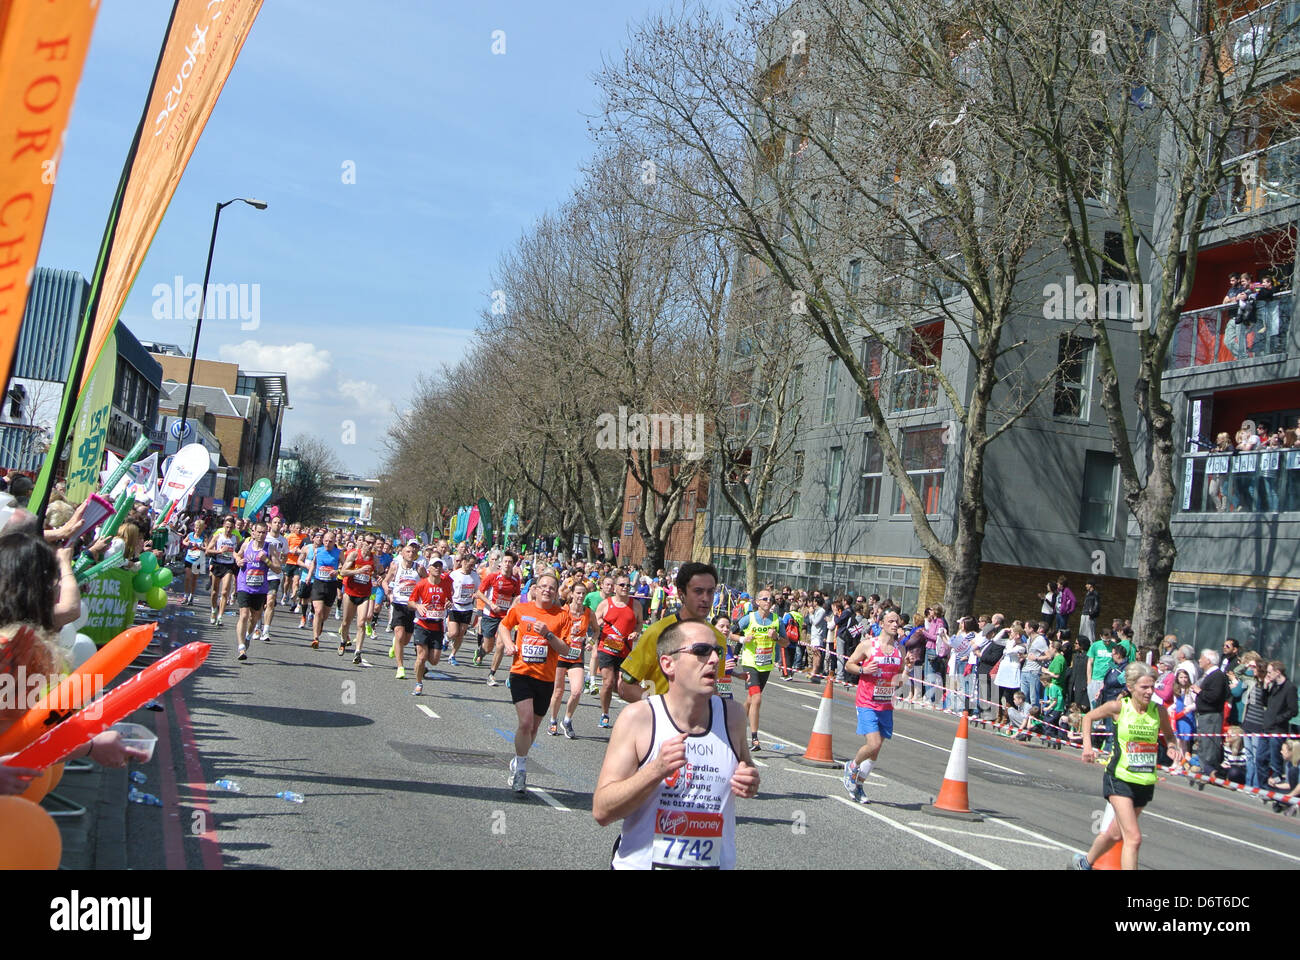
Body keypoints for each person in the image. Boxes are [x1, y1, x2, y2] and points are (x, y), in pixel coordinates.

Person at [592, 619, 759, 869]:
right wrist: (656, 769)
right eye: (701, 651)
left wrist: (750, 780)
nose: (715, 659)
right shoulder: (639, 718)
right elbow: (602, 811)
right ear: (668, 663)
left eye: (717, 651)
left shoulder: (733, 716)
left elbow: (747, 769)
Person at [1071, 662, 1183, 870]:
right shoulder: (1119, 707)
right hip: (1119, 778)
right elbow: (1089, 718)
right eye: (1144, 687)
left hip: (1144, 780)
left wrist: (1171, 747)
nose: (1149, 692)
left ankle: (1084, 864)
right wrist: (1087, 746)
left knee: (1115, 834)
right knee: (1134, 838)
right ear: (1131, 687)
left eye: (1152, 687)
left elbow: (1169, 735)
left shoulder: (1158, 711)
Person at [498, 570, 575, 793]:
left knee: (533, 728)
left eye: (552, 587)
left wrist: (549, 635)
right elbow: (504, 626)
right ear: (536, 589)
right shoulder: (522, 609)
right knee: (525, 722)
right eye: (543, 586)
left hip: (546, 677)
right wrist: (508, 644)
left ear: (556, 592)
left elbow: (566, 649)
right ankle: (521, 769)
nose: (547, 590)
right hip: (521, 673)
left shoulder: (562, 616)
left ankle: (518, 758)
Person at [842, 610, 905, 803]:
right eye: (891, 621)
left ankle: (859, 785)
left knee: (876, 750)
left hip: (885, 704)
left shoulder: (900, 650)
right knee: (873, 744)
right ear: (882, 623)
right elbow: (849, 665)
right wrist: (863, 669)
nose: (895, 624)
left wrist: (906, 672)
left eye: (897, 621)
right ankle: (852, 766)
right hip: (866, 701)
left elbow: (900, 679)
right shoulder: (868, 645)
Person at [730, 589, 785, 753]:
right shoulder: (749, 618)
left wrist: (776, 637)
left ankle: (734, 725)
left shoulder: (777, 620)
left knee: (751, 699)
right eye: (765, 599)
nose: (768, 602)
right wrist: (743, 639)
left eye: (770, 599)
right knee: (757, 698)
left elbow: (786, 643)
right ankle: (754, 738)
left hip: (766, 665)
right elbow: (731, 634)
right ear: (757, 602)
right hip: (750, 663)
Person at [594, 574, 642, 728]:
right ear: (615, 587)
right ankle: (605, 714)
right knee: (608, 682)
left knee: (622, 687)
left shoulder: (636, 605)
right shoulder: (606, 604)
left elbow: (639, 623)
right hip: (606, 648)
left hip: (625, 650)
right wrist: (600, 623)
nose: (625, 588)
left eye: (628, 585)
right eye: (622, 585)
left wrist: (636, 632)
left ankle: (636, 714)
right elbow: (595, 620)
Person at [547, 583, 592, 738]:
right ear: (572, 594)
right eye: (578, 593)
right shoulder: (562, 611)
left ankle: (567, 720)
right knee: (558, 691)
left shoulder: (588, 612)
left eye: (583, 593)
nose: (581, 596)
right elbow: (551, 631)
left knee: (577, 691)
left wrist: (591, 642)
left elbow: (596, 631)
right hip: (560, 655)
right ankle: (553, 720)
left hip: (576, 657)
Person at [231, 520, 278, 661]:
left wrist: (266, 560)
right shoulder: (247, 544)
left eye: (264, 533)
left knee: (254, 617)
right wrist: (238, 561)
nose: (261, 535)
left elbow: (278, 569)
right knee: (244, 615)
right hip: (244, 585)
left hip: (260, 588)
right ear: (253, 532)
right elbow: (237, 554)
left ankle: (248, 636)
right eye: (259, 532)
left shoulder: (270, 548)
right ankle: (241, 648)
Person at [476, 551, 522, 683]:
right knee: (488, 647)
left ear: (513, 565)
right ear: (501, 563)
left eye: (510, 562)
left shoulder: (515, 580)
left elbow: (517, 596)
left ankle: (491, 674)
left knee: (501, 645)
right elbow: (479, 592)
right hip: (490, 614)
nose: (507, 564)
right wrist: (491, 604)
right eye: (505, 561)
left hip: (505, 616)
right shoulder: (493, 577)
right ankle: (481, 651)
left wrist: (512, 608)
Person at [407, 559, 452, 696]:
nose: (437, 568)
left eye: (440, 566)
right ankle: (418, 683)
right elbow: (410, 602)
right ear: (429, 569)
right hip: (422, 624)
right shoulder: (422, 584)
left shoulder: (445, 585)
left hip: (437, 625)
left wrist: (449, 604)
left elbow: (449, 600)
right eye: (435, 566)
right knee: (421, 656)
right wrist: (418, 606)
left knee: (434, 660)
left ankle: (421, 666)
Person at [383, 540, 424, 681]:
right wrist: (387, 589)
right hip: (398, 604)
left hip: (413, 606)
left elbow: (427, 582)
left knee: (405, 640)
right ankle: (400, 667)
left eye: (413, 552)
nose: (411, 554)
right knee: (399, 635)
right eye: (408, 551)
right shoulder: (395, 566)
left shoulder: (419, 568)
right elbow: (385, 581)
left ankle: (396, 644)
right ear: (402, 553)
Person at [338, 534, 377, 665]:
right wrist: (358, 571)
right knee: (345, 623)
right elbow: (343, 572)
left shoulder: (374, 558)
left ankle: (358, 652)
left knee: (361, 623)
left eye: (372, 543)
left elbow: (379, 573)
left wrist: (379, 578)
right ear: (362, 542)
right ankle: (343, 641)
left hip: (364, 594)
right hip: (350, 593)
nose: (370, 545)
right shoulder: (354, 555)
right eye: (368, 542)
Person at [304, 529, 342, 650]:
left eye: (330, 541)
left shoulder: (339, 553)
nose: (327, 543)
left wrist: (337, 571)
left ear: (334, 542)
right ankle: (315, 638)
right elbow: (314, 564)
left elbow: (345, 566)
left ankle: (320, 623)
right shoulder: (318, 551)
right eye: (325, 541)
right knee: (318, 611)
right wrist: (309, 575)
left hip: (331, 585)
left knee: (324, 615)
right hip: (318, 583)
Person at [1192, 648, 1228, 772]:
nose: (1199, 660)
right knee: (1202, 744)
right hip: (1204, 715)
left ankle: (1209, 770)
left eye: (1201, 658)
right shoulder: (1210, 675)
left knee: (1209, 745)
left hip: (1211, 716)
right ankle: (1203, 768)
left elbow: (1214, 696)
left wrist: (1200, 691)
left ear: (1208, 660)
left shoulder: (1217, 676)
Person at [446, 553, 479, 671]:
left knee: (461, 633)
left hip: (467, 607)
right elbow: (447, 588)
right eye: (470, 565)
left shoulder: (474, 576)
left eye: (473, 565)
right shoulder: (454, 575)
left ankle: (452, 655)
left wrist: (475, 595)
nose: (471, 567)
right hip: (455, 606)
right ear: (464, 562)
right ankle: (446, 638)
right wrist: (447, 600)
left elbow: (478, 590)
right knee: (453, 632)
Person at [258, 514, 288, 643]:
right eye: (275, 522)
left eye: (279, 523)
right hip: (261, 573)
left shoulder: (283, 540)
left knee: (270, 601)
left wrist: (280, 563)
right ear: (270, 524)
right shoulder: (264, 537)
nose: (277, 524)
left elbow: (285, 556)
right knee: (260, 603)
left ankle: (266, 630)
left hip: (274, 575)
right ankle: (257, 626)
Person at [205, 516, 240, 625]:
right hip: (217, 564)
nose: (228, 529)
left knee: (225, 591)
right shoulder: (218, 537)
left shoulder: (236, 539)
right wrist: (219, 551)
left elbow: (239, 552)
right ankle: (213, 610)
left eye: (231, 527)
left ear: (234, 528)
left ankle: (220, 616)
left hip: (228, 566)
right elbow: (208, 551)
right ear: (224, 526)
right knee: (215, 591)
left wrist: (237, 557)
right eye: (227, 527)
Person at [181, 517, 207, 605]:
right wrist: (187, 543)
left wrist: (199, 546)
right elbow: (184, 541)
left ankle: (191, 595)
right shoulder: (190, 535)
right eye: (196, 528)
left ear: (202, 529)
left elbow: (207, 548)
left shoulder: (204, 537)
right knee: (187, 578)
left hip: (198, 560)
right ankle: (185, 595)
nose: (197, 530)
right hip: (189, 559)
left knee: (194, 579)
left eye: (199, 528)